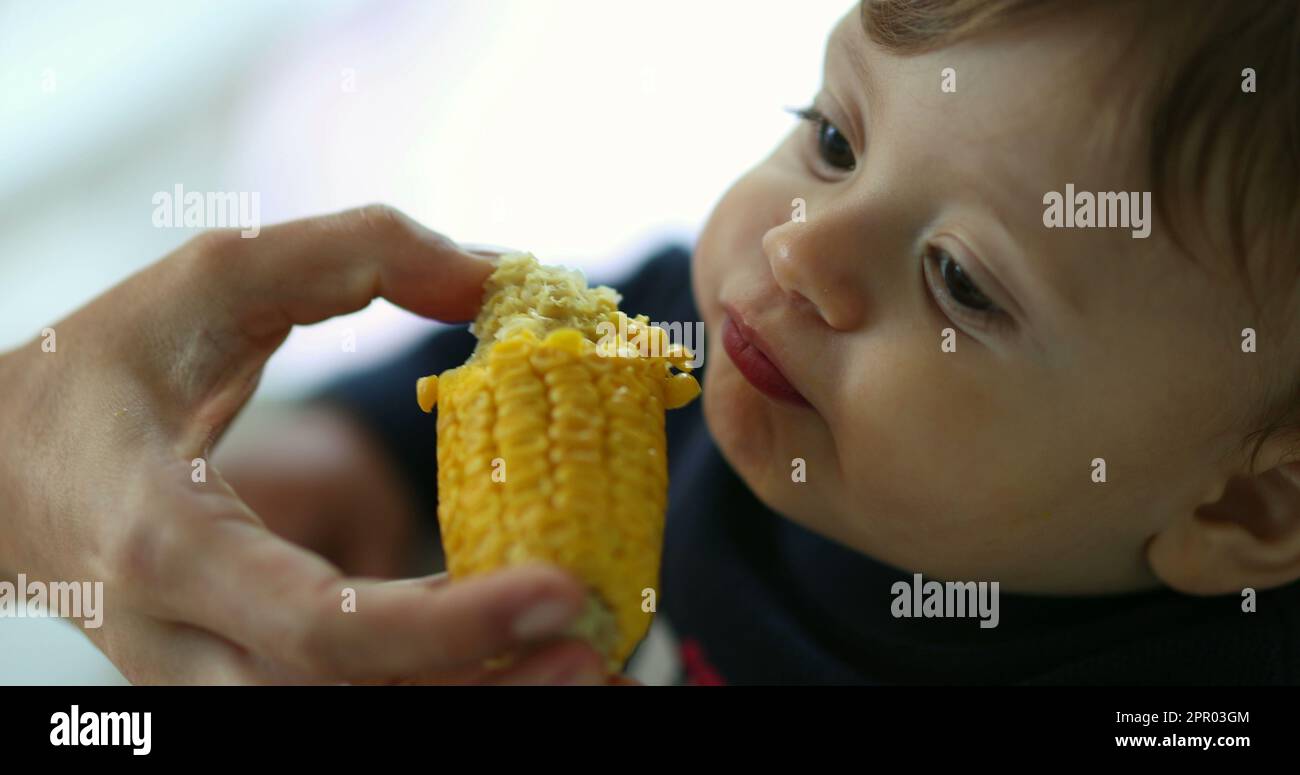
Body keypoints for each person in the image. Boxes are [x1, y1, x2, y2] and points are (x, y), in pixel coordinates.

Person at [4, 0, 1299, 684]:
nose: (797, 252)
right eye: (836, 139)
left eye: (960, 282)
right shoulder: (750, 347)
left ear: (1243, 505)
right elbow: (637, 306)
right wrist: (369, 456)